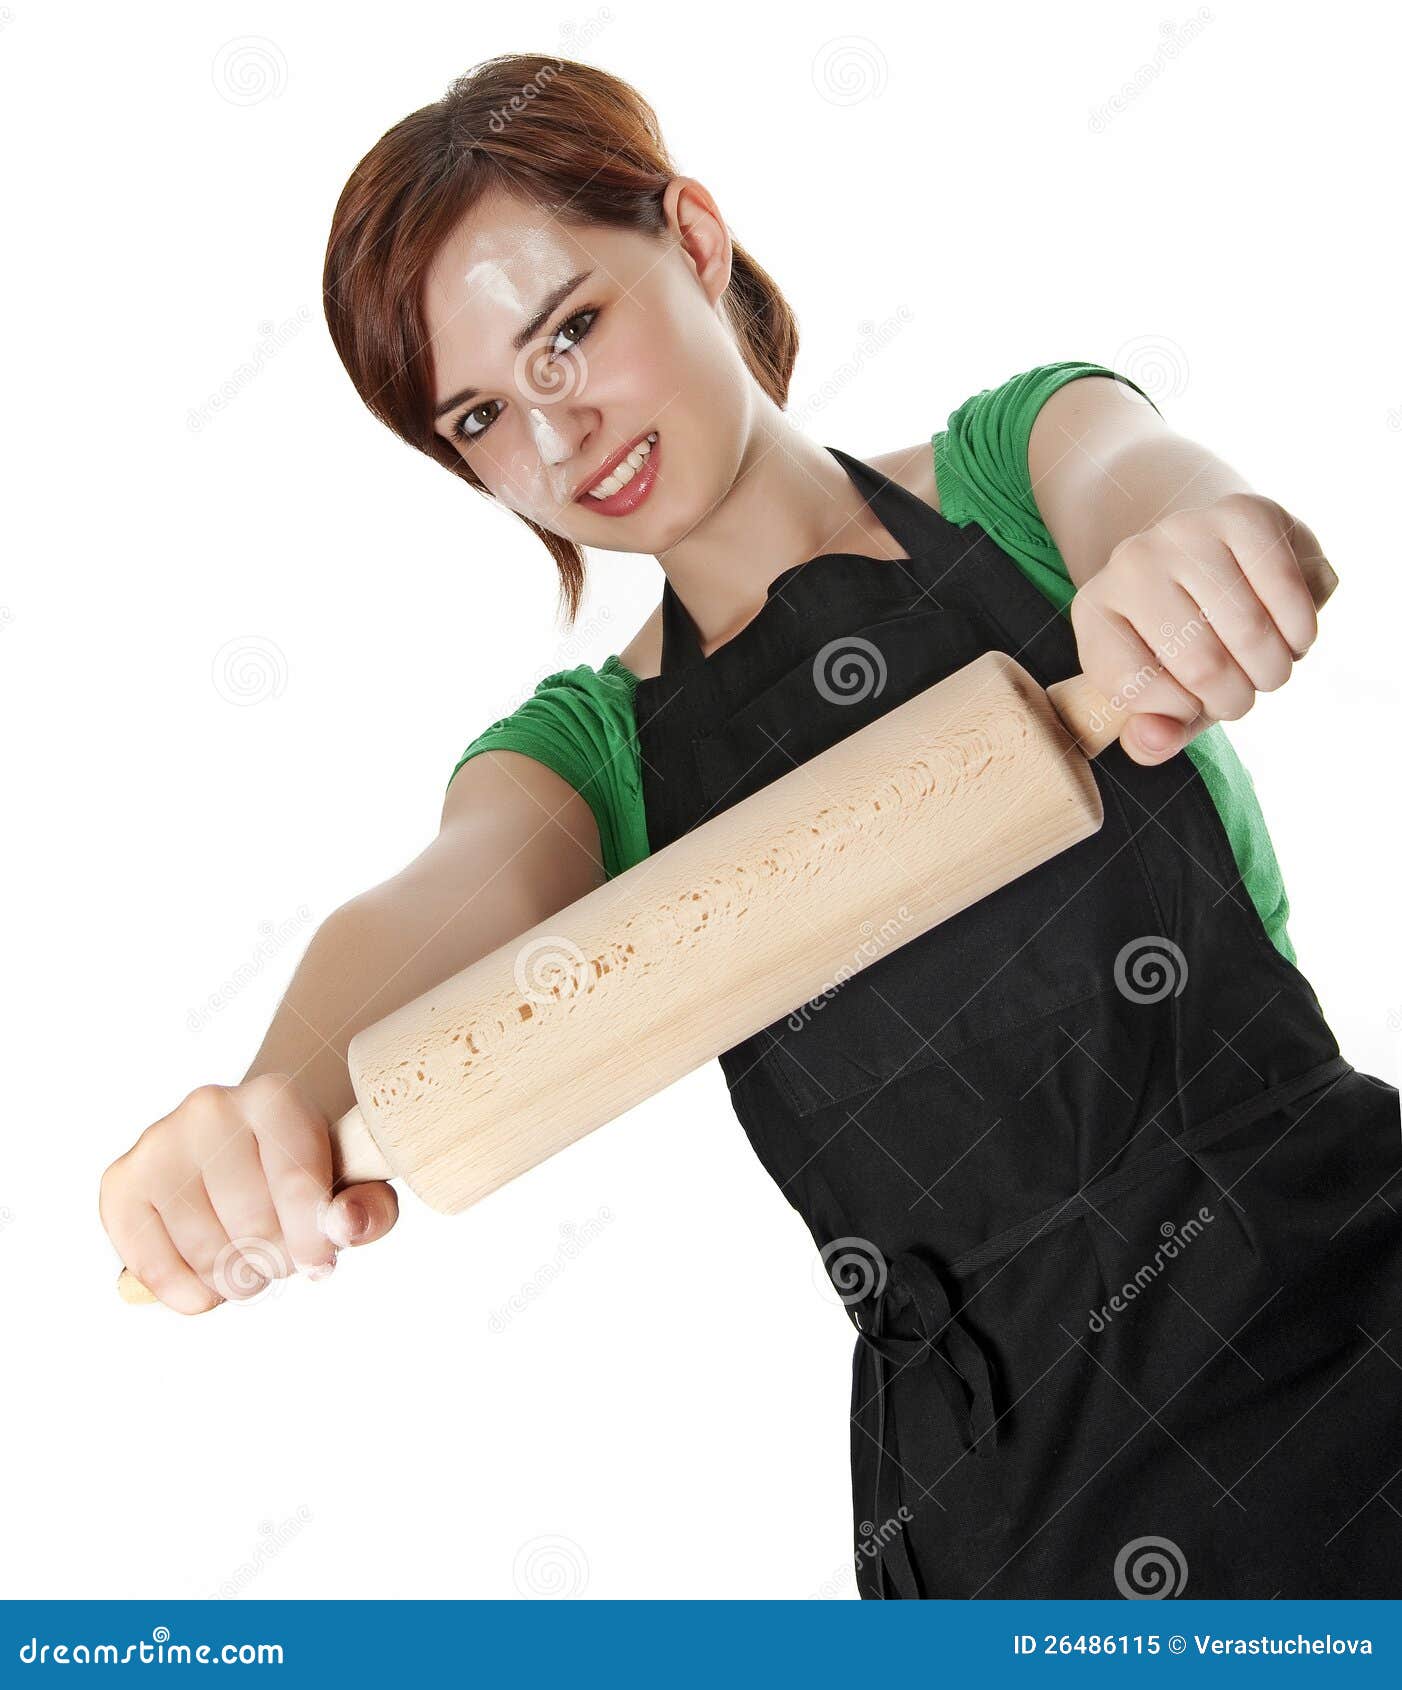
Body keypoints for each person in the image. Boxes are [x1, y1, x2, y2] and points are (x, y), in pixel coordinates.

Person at [100, 54, 1400, 1598]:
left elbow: (1130, 473)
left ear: (695, 239)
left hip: (1341, 1301)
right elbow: (437, 903)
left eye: (570, 328)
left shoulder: (1015, 470)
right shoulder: (591, 756)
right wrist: (274, 1096)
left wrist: (1186, 546)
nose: (559, 434)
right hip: (1008, 1501)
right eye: (481, 416)